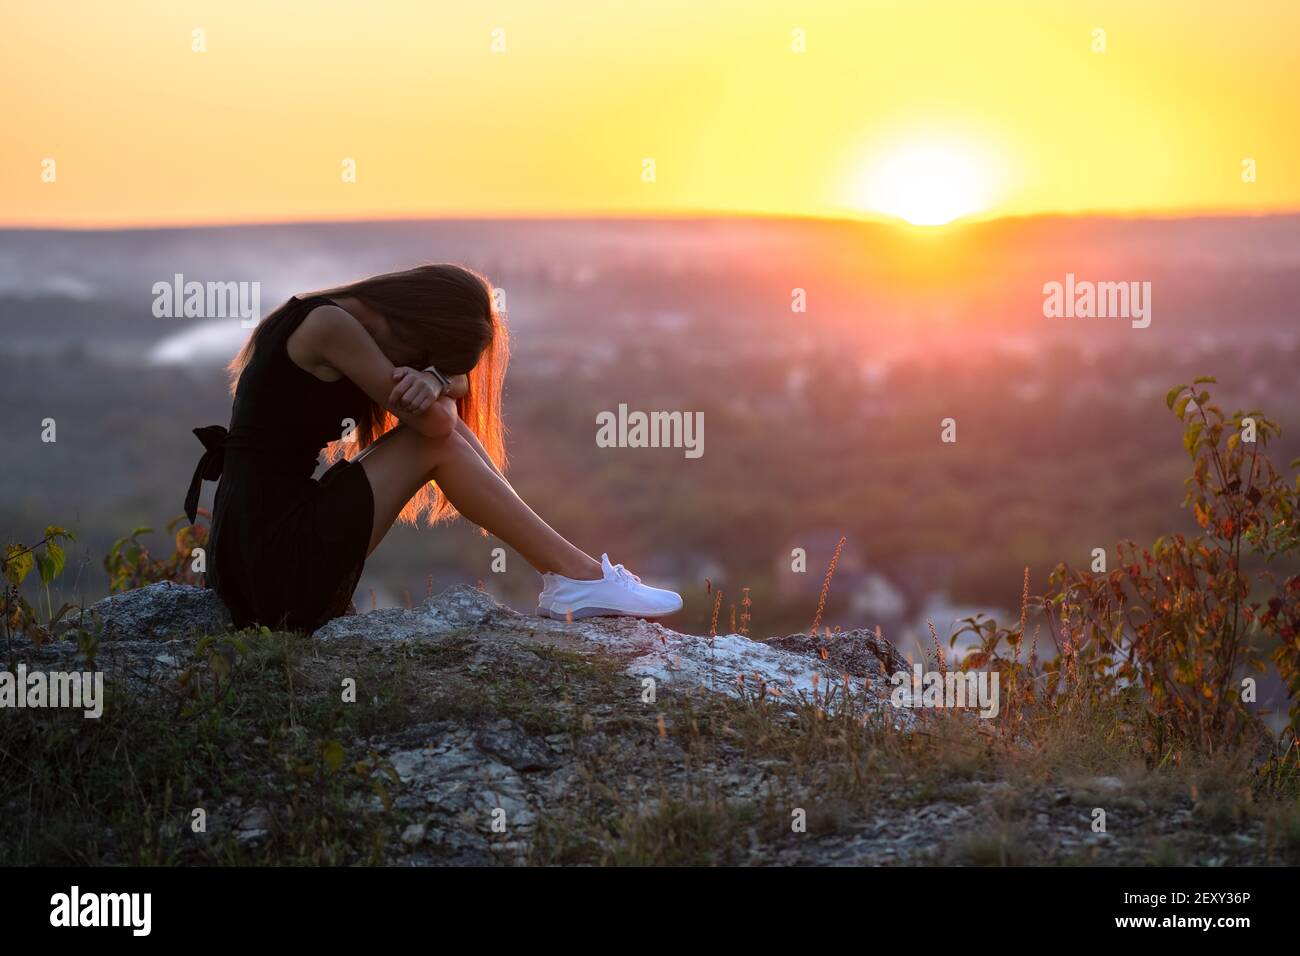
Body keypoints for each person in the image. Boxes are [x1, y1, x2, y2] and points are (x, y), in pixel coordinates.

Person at [184, 264, 682, 632]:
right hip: (272, 562)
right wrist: (435, 385)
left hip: (261, 542)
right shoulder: (329, 328)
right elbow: (438, 426)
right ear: (415, 329)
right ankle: (576, 576)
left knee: (442, 432)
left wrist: (436, 376)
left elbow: (458, 388)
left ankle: (577, 576)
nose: (407, 368)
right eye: (422, 357)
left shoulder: (347, 320)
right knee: (436, 441)